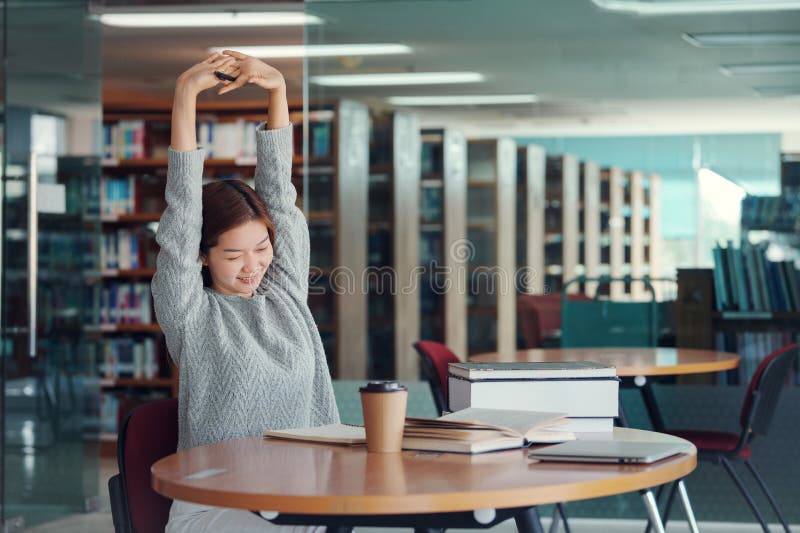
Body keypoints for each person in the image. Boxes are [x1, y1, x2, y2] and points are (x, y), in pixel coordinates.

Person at [152, 51, 338, 532]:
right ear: (202, 255)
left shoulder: (284, 293)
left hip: (300, 497)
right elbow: (182, 213)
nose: (253, 266)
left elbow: (279, 193)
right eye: (234, 256)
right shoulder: (190, 313)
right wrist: (186, 94)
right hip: (218, 505)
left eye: (261, 248)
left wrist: (276, 91)